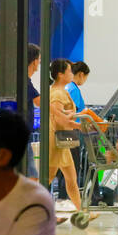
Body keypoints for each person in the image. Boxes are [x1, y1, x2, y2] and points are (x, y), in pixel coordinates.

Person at [46, 59, 91, 224]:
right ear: (60, 74)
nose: (72, 74)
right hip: (56, 141)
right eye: (69, 71)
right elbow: (60, 119)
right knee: (48, 178)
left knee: (71, 177)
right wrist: (78, 125)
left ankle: (81, 212)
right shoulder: (57, 93)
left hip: (61, 142)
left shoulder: (60, 91)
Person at [23, 43, 42, 180]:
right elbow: (40, 101)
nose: (39, 63)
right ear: (35, 61)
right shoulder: (24, 81)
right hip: (20, 135)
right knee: (32, 176)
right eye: (39, 59)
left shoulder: (23, 79)